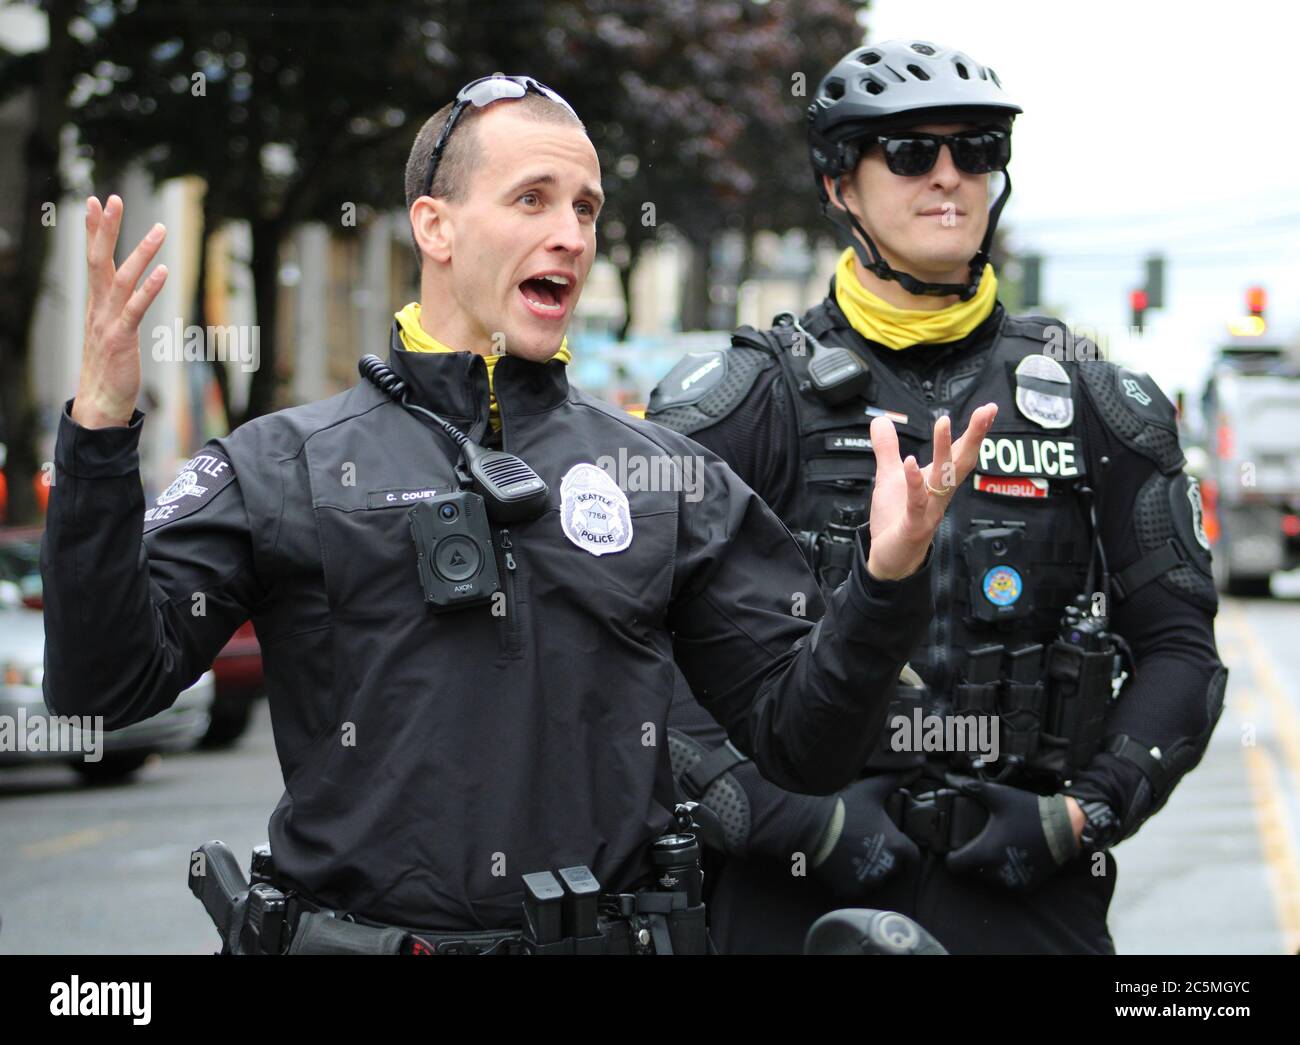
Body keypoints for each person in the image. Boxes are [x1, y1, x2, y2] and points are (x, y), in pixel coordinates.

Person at [40, 75, 997, 944]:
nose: (572, 234)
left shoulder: (667, 477)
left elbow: (805, 742)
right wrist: (98, 434)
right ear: (435, 226)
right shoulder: (281, 462)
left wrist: (885, 578)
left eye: (585, 207)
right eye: (533, 199)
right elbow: (102, 689)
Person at [648, 40, 1226, 955]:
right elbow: (641, 664)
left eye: (978, 151)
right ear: (840, 186)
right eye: (912, 153)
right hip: (793, 894)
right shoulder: (740, 404)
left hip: (1026, 893)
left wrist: (1081, 816)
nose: (949, 178)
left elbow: (1181, 651)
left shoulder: (1098, 403)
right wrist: (804, 828)